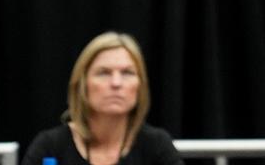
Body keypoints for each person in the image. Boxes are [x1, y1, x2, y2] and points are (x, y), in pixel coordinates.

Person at [21, 32, 180, 165]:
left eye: (127, 73)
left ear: (140, 86)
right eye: (103, 72)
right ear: (83, 84)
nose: (116, 83)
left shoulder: (156, 146)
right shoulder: (50, 147)